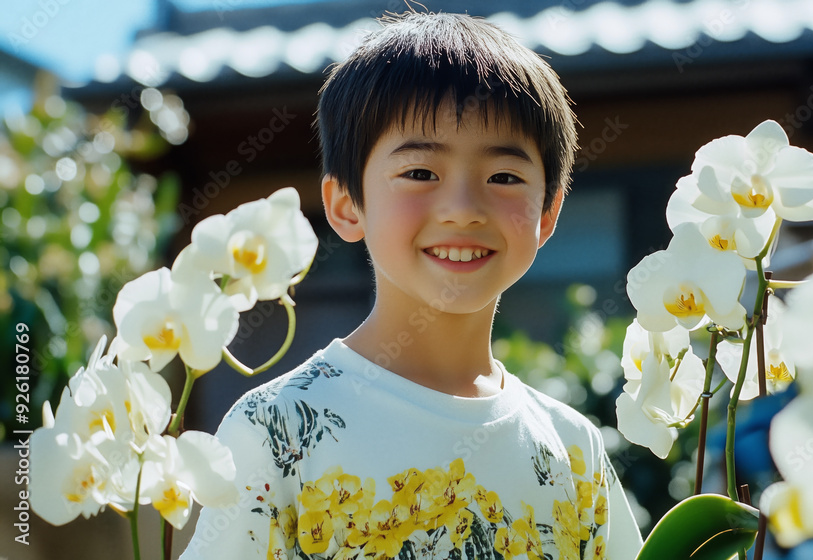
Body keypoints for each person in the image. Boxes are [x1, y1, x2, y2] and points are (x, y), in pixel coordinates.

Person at [180, 11, 644, 560]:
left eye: (504, 177)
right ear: (347, 205)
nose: (463, 210)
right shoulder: (275, 431)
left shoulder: (574, 449)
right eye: (421, 173)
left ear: (547, 213)